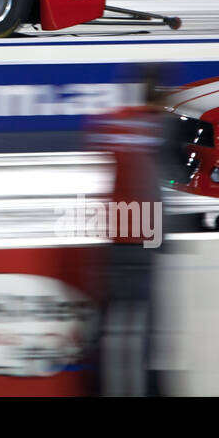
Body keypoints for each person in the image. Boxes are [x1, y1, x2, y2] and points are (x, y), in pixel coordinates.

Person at [89, 65, 178, 396]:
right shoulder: (161, 128)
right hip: (146, 237)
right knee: (148, 325)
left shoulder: (111, 120)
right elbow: (161, 183)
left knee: (109, 318)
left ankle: (100, 386)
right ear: (161, 91)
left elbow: (102, 150)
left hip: (115, 235)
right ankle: (148, 390)